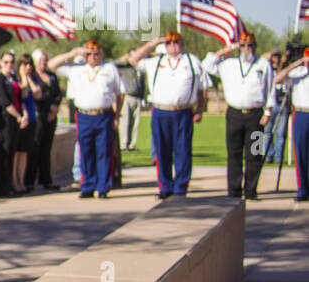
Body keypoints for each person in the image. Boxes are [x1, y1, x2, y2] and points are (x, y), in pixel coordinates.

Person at [127, 31, 209, 199]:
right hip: (160, 111)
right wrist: (152, 43)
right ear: (164, 45)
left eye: (176, 42)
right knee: (161, 151)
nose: (173, 46)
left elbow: (202, 88)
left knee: (183, 150)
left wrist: (200, 109)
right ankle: (165, 186)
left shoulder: (192, 61)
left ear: (182, 44)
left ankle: (180, 187)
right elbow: (133, 60)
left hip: (183, 111)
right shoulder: (156, 61)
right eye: (169, 43)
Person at [202, 31, 275, 200]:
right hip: (234, 113)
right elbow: (207, 64)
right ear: (238, 47)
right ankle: (234, 191)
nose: (247, 49)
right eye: (243, 45)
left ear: (255, 46)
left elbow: (270, 88)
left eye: (250, 45)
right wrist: (227, 49)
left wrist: (268, 111)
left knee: (255, 153)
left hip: (256, 115)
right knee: (234, 153)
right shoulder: (228, 64)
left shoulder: (263, 64)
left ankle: (251, 190)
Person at [50, 40, 123, 198]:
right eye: (89, 54)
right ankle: (88, 185)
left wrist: (117, 116)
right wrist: (72, 53)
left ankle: (103, 187)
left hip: (103, 114)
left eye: (97, 54)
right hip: (84, 115)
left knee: (104, 151)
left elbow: (120, 93)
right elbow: (52, 65)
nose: (93, 57)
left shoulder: (109, 68)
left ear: (101, 54)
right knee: (86, 152)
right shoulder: (76, 69)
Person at [0, 51, 26, 197]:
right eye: (6, 62)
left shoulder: (13, 78)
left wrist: (24, 114)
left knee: (12, 152)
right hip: (6, 119)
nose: (9, 65)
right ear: (0, 63)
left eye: (11, 62)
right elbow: (4, 101)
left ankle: (11, 185)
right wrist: (18, 116)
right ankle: (2, 188)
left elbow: (22, 96)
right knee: (4, 153)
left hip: (16, 119)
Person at [274, 52, 309, 201]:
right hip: (301, 112)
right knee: (300, 152)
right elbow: (277, 80)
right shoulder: (297, 73)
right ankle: (303, 189)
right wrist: (296, 64)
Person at [27, 47, 64, 190]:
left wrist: (55, 107)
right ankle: (30, 180)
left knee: (46, 148)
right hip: (39, 114)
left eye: (46, 60)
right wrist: (49, 107)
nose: (45, 63)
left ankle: (46, 179)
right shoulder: (33, 76)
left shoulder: (51, 75)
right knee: (35, 147)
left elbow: (58, 94)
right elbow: (37, 96)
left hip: (51, 116)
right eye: (42, 60)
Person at [13, 54, 40, 193]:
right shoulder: (15, 79)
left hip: (32, 118)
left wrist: (29, 77)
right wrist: (24, 77)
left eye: (30, 64)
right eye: (25, 64)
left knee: (24, 152)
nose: (27, 67)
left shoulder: (32, 79)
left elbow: (37, 94)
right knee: (17, 152)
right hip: (20, 120)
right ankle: (15, 182)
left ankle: (22, 181)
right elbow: (23, 93)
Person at [116, 57, 146, 151]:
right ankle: (124, 144)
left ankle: (132, 144)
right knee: (126, 121)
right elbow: (113, 63)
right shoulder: (124, 67)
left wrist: (143, 98)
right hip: (127, 96)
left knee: (135, 123)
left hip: (137, 97)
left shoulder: (140, 69)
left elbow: (143, 85)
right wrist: (125, 58)